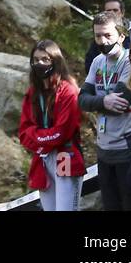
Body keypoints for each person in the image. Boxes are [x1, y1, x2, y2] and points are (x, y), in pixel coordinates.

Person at [78, 12, 131, 210]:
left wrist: (95, 102)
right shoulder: (97, 62)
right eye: (97, 36)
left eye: (107, 35)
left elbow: (120, 104)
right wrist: (103, 100)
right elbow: (81, 100)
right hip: (103, 149)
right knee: (110, 206)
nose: (102, 41)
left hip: (127, 147)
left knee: (128, 204)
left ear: (121, 36)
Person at [17, 39, 85, 211]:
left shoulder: (68, 90)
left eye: (45, 59)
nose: (40, 63)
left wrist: (37, 135)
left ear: (55, 61)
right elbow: (24, 132)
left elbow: (62, 132)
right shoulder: (33, 92)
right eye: (36, 60)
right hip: (42, 158)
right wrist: (41, 137)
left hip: (66, 155)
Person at [82, 0, 131, 70]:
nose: (112, 13)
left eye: (115, 10)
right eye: (108, 11)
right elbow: (89, 63)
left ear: (122, 13)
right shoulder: (100, 36)